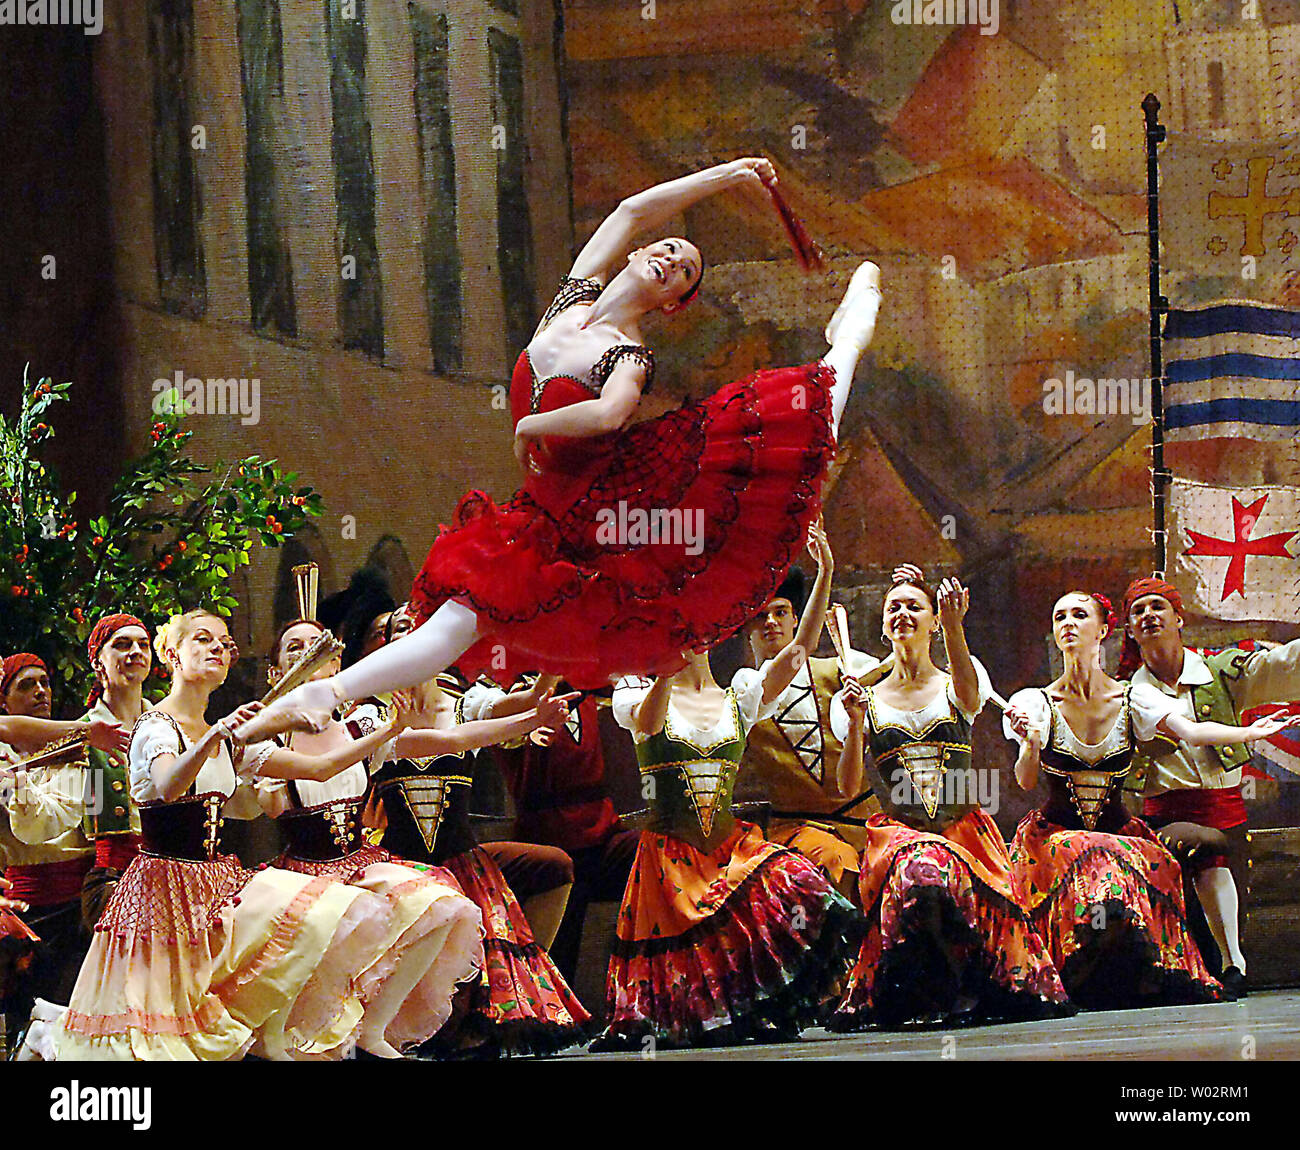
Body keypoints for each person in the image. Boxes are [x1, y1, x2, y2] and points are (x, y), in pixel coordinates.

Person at [233, 157, 884, 741]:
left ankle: (849, 336)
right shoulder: (571, 300)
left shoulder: (629, 354)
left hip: (609, 503)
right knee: (461, 618)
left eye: (683, 270)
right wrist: (729, 175)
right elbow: (633, 210)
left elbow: (610, 411)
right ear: (636, 255)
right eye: (667, 249)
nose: (669, 259)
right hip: (542, 512)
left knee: (789, 419)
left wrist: (530, 428)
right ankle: (328, 692)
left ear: (673, 302)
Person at [53, 610, 421, 1060]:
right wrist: (214, 738)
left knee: (320, 912)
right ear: (171, 654)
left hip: (212, 882)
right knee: (163, 1034)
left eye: (225, 644)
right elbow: (169, 785)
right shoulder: (157, 726)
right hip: (163, 891)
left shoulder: (228, 734)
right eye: (203, 640)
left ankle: (278, 1039)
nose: (218, 650)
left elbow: (319, 768)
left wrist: (390, 730)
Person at [595, 521, 860, 1048]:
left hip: (728, 846)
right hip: (672, 860)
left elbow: (800, 650)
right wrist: (665, 670)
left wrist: (826, 570)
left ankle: (761, 1001)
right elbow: (648, 723)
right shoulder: (637, 690)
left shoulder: (740, 693)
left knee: (794, 877)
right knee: (689, 1007)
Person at [1003, 591, 1298, 1008]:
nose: (1068, 623)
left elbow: (1193, 732)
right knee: (1093, 854)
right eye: (1059, 616)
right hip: (1059, 837)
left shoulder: (1132, 698)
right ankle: (1076, 974)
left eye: (1079, 615)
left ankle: (1208, 967)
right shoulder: (1035, 702)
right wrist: (1031, 743)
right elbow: (1025, 778)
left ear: (1103, 631)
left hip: (1126, 831)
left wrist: (1253, 733)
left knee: (1148, 862)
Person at [826, 573, 1071, 1028]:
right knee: (923, 872)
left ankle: (965, 988)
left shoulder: (958, 683)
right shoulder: (865, 698)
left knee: (946, 874)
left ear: (933, 622)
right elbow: (846, 785)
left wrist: (957, 625)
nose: (903, 614)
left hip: (962, 831)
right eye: (893, 608)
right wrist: (856, 723)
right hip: (902, 837)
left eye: (914, 607)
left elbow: (971, 694)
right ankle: (930, 990)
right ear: (882, 628)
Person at [248, 617, 485, 1057]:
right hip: (303, 870)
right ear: (275, 672)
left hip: (357, 862)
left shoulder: (360, 725)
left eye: (316, 648)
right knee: (327, 918)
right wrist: (266, 795)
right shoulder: (266, 736)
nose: (306, 655)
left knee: (444, 905)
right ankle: (280, 1039)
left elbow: (452, 738)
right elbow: (309, 778)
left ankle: (374, 1029)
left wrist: (528, 719)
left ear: (337, 663)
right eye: (293, 649)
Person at [351, 672, 590, 1057]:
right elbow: (458, 739)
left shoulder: (466, 705)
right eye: (398, 637)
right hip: (401, 867)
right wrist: (531, 719)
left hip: (462, 862)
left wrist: (551, 661)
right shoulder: (372, 717)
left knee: (532, 887)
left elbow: (528, 697)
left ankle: (493, 1005)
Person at [1119, 575, 1300, 997]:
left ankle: (1228, 970)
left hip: (1228, 814)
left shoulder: (1221, 671)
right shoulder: (1127, 693)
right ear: (1129, 630)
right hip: (1167, 821)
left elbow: (1278, 668)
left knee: (1224, 917)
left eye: (1158, 606)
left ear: (1179, 617)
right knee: (1195, 868)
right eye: (1138, 611)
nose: (1149, 615)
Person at [462, 673, 639, 985]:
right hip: (550, 839)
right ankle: (555, 1019)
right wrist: (528, 725)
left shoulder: (589, 692)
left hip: (603, 835)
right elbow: (506, 727)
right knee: (562, 940)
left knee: (656, 854)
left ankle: (649, 994)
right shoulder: (512, 695)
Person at [0, 652, 129, 1049]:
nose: (41, 691)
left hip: (78, 913)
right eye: (26, 685)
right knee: (27, 1022)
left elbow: (95, 825)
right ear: (4, 701)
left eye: (45, 683)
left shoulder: (81, 758)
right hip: (22, 915)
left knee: (75, 1023)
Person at [738, 565, 883, 897]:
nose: (771, 622)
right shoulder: (746, 690)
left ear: (795, 620)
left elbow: (894, 673)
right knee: (835, 860)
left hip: (866, 820)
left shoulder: (839, 668)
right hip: (797, 829)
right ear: (747, 627)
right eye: (761, 616)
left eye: (781, 612)